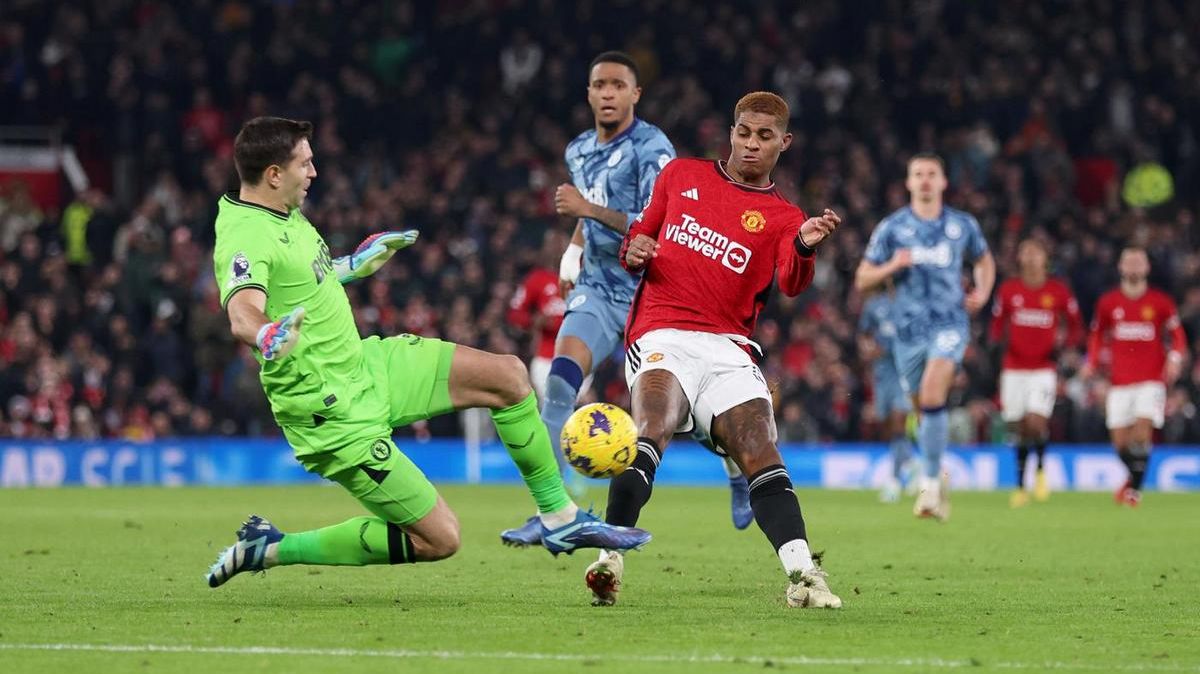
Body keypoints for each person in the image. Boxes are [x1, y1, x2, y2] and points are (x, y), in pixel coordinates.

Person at [205, 117, 650, 588]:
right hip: (332, 414)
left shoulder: (282, 209)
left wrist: (352, 265)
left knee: (508, 376)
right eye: (305, 163)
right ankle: (270, 548)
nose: (314, 172)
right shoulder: (245, 234)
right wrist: (266, 333)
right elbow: (243, 311)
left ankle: (558, 517)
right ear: (274, 174)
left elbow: (298, 277)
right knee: (440, 539)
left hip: (366, 366)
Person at [585, 91, 843, 609]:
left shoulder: (783, 216)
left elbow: (792, 283)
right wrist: (635, 249)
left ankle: (804, 577)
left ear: (784, 143)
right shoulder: (681, 175)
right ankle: (609, 560)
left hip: (730, 346)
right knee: (652, 425)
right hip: (663, 333)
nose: (751, 144)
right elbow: (638, 240)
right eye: (744, 133)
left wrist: (805, 244)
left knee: (759, 446)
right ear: (731, 133)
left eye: (764, 136)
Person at [501, 52, 752, 545]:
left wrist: (586, 209)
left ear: (635, 94)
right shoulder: (578, 149)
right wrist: (573, 249)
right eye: (600, 85)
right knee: (558, 386)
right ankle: (553, 514)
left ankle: (735, 471)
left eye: (618, 85)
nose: (608, 93)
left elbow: (663, 222)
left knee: (687, 419)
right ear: (589, 93)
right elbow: (589, 211)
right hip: (597, 289)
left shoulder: (652, 147)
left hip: (653, 296)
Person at [854, 153, 995, 522]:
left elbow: (983, 260)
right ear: (909, 183)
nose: (926, 180)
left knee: (932, 395)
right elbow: (863, 279)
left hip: (949, 324)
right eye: (918, 174)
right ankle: (937, 472)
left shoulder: (962, 225)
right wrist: (893, 265)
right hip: (907, 333)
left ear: (944, 181)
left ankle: (929, 485)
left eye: (932, 173)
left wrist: (982, 292)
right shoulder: (892, 228)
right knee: (922, 409)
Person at [1079, 247, 1187, 507]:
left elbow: (1178, 336)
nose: (1134, 266)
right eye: (1129, 262)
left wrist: (1174, 359)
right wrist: (1091, 362)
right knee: (1120, 443)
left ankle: (1134, 493)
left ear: (1147, 267)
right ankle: (1132, 479)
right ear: (1121, 267)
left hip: (1151, 380)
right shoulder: (1108, 302)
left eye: (1139, 262)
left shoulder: (1161, 302)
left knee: (1141, 432)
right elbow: (1096, 335)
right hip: (1119, 381)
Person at [989, 239, 1083, 507]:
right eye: (1025, 252)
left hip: (1043, 368)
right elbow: (996, 327)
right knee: (1018, 427)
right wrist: (996, 349)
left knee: (1036, 422)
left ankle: (1040, 470)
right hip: (1013, 368)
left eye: (1035, 252)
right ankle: (1020, 487)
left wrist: (1065, 346)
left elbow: (1076, 326)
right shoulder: (1009, 290)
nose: (1030, 257)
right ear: (1019, 258)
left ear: (1045, 258)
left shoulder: (1058, 291)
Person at [857, 287, 915, 502]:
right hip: (882, 372)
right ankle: (911, 463)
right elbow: (864, 333)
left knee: (899, 420)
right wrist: (867, 349)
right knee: (887, 424)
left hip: (904, 369)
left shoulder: (911, 302)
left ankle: (894, 480)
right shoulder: (875, 305)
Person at [507, 230, 570, 403]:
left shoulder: (581, 279)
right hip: (546, 357)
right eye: (553, 244)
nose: (557, 249)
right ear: (545, 248)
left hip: (579, 356)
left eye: (561, 244)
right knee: (553, 407)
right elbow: (515, 313)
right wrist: (534, 321)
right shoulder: (537, 279)